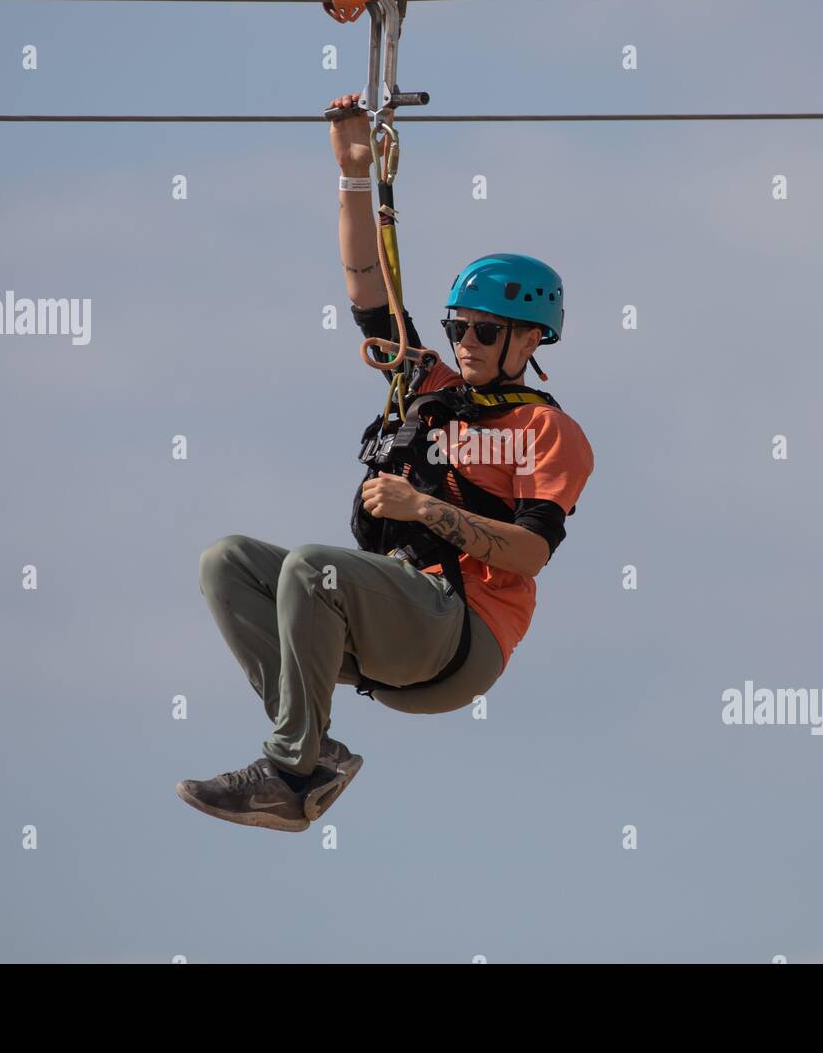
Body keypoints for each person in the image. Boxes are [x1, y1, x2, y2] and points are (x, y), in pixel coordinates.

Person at [176, 93, 594, 832]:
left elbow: (530, 553)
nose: (464, 340)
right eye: (457, 325)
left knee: (314, 565)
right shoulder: (426, 386)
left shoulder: (545, 429)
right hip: (393, 613)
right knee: (226, 561)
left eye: (484, 329)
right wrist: (354, 173)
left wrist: (425, 509)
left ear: (529, 341)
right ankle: (314, 757)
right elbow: (368, 285)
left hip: (462, 635)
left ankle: (289, 768)